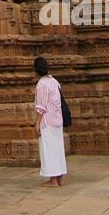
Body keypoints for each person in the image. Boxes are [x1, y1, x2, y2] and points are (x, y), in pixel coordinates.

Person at [34, 56, 67, 187]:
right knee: (58, 149)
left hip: (47, 122)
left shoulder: (42, 84)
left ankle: (53, 180)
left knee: (49, 149)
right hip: (57, 120)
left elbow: (41, 107)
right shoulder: (54, 81)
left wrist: (37, 123)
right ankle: (60, 177)